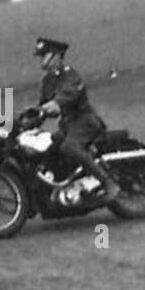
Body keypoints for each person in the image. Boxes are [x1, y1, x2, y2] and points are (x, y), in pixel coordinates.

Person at [34, 37, 121, 203]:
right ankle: (60, 187)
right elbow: (42, 108)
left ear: (57, 56)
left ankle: (108, 183)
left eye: (45, 55)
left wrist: (55, 104)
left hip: (85, 122)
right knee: (48, 148)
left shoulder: (71, 75)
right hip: (67, 125)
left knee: (70, 146)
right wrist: (27, 120)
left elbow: (68, 95)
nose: (42, 59)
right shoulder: (48, 80)